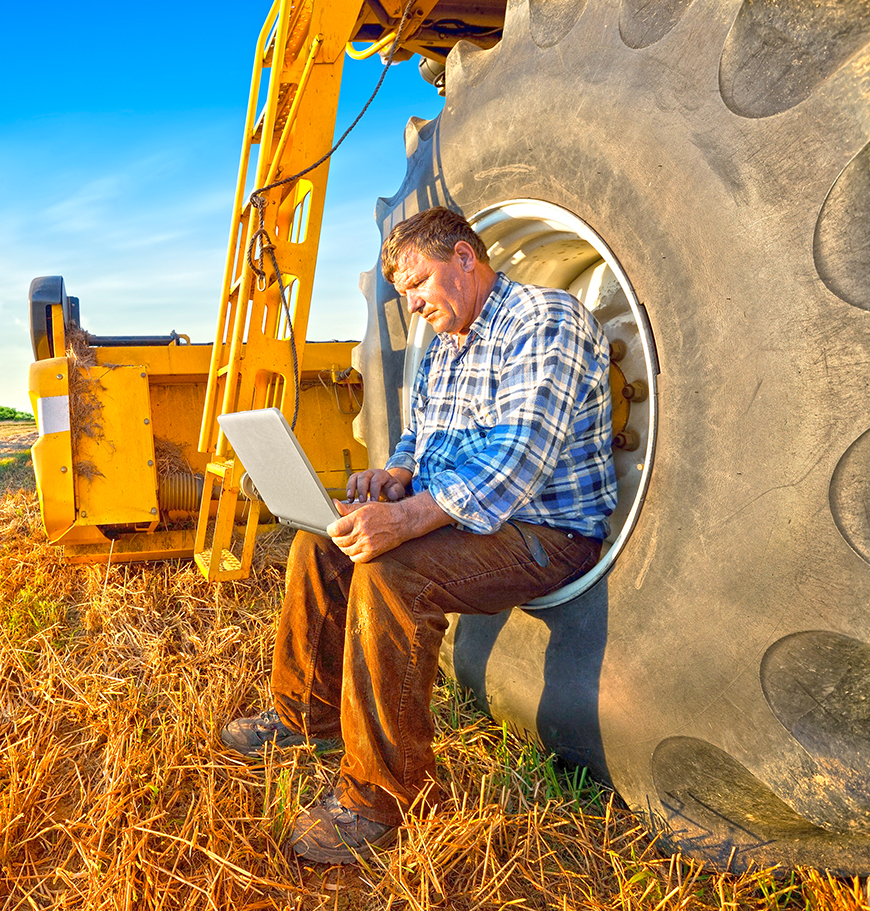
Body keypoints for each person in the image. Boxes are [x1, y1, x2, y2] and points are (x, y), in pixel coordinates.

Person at [220, 206, 618, 864]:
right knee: (322, 543)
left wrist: (405, 520)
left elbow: (518, 458)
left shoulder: (544, 319)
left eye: (417, 282)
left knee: (389, 572)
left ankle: (383, 795)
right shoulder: (446, 342)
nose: (410, 303)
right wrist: (397, 475)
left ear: (465, 257)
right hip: (467, 518)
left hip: (544, 528)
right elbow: (422, 433)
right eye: (400, 292)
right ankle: (303, 718)